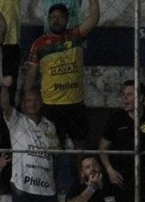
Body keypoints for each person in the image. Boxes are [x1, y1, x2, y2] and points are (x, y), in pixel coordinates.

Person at [24, 0, 100, 152]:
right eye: (52, 17)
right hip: (50, 106)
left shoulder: (75, 36)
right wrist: (26, 102)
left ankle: (81, 175)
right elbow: (30, 77)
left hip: (75, 104)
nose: (55, 20)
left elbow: (94, 17)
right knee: (52, 148)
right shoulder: (40, 44)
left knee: (80, 147)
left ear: (67, 19)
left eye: (59, 17)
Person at [0, 75, 60, 202]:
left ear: (41, 102)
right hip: (23, 186)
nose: (32, 104)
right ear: (23, 103)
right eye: (28, 100)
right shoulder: (16, 121)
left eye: (36, 100)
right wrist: (4, 88)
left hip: (47, 187)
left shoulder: (49, 126)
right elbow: (5, 106)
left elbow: (56, 153)